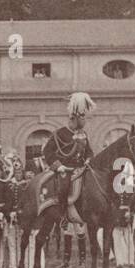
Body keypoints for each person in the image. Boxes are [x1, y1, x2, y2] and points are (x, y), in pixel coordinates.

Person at [44, 92, 96, 223]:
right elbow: (47, 151)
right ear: (73, 118)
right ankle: (62, 216)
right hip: (65, 169)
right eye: (82, 117)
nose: (84, 120)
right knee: (64, 187)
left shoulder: (83, 134)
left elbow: (89, 151)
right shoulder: (60, 133)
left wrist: (89, 159)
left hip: (82, 168)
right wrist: (59, 166)